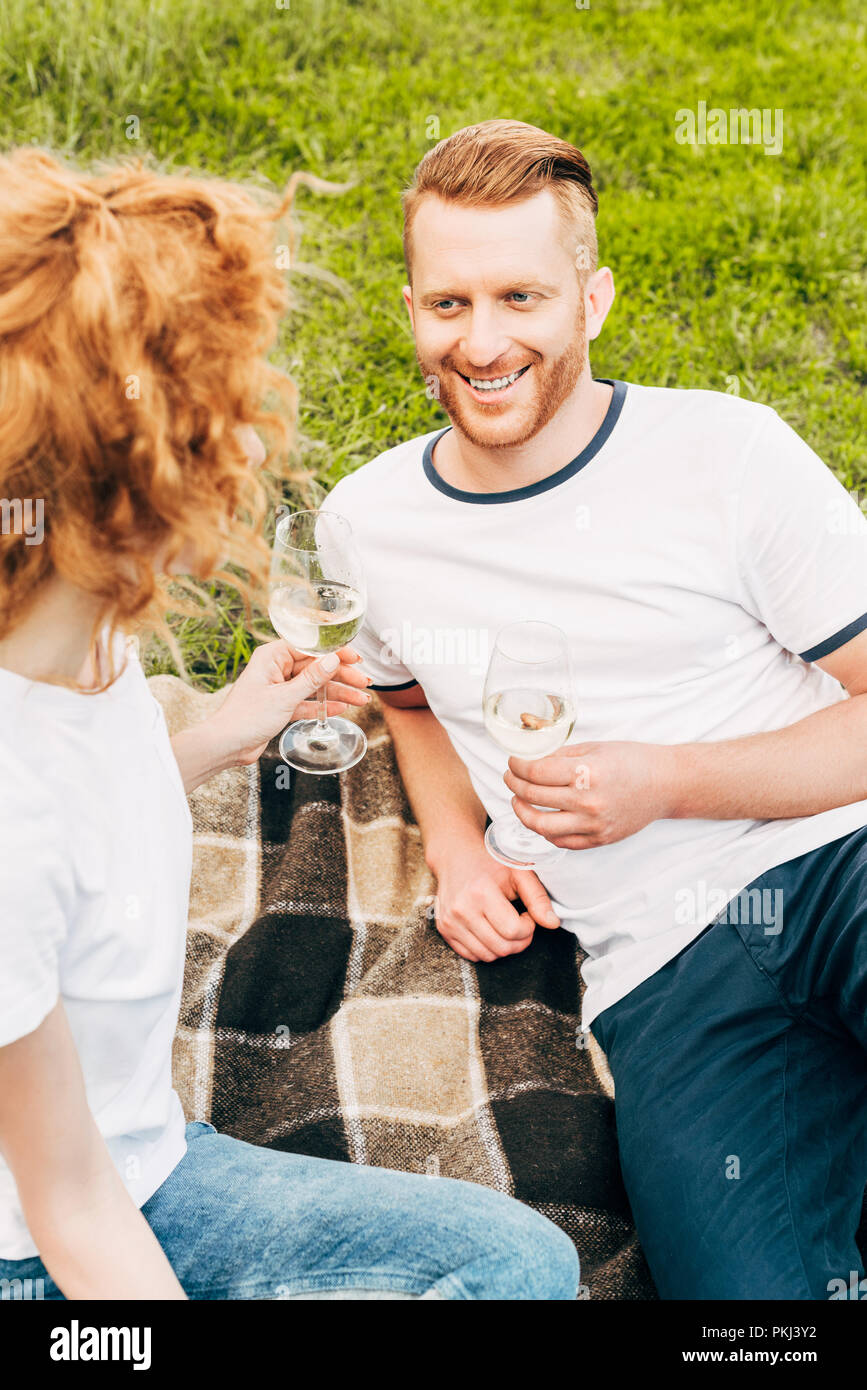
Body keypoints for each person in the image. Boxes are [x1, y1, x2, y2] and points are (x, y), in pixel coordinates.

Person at [0, 147, 581, 1301]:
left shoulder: (71, 635)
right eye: (223, 422)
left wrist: (220, 729)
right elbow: (66, 1210)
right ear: (133, 478)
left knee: (519, 1264)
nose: (256, 450)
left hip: (154, 1165)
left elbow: (82, 826)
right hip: (44, 1247)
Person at [321, 119, 867, 1300]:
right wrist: (459, 848)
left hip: (841, 866)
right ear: (410, 306)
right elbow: (406, 701)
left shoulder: (726, 452)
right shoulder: (369, 525)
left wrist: (668, 783)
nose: (483, 341)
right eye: (449, 302)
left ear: (592, 298)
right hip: (665, 972)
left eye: (521, 295)